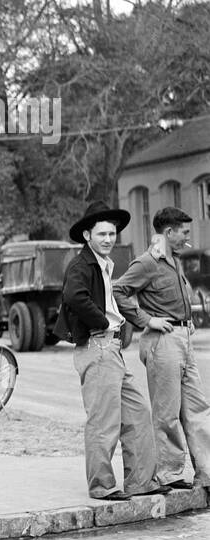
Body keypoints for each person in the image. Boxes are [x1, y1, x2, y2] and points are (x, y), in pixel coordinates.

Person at [52, 201, 167, 501]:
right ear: (87, 236)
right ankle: (102, 486)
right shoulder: (81, 265)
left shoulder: (102, 265)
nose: (108, 239)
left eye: (112, 233)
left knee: (138, 414)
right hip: (97, 346)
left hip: (111, 348)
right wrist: (103, 321)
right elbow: (74, 296)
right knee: (103, 421)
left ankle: (142, 481)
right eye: (102, 234)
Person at [114, 206, 210, 491]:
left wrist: (187, 320)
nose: (187, 237)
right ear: (168, 232)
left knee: (197, 408)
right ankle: (169, 473)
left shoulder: (173, 259)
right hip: (162, 342)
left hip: (183, 339)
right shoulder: (147, 262)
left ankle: (205, 472)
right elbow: (119, 291)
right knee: (167, 412)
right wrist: (148, 320)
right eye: (184, 232)